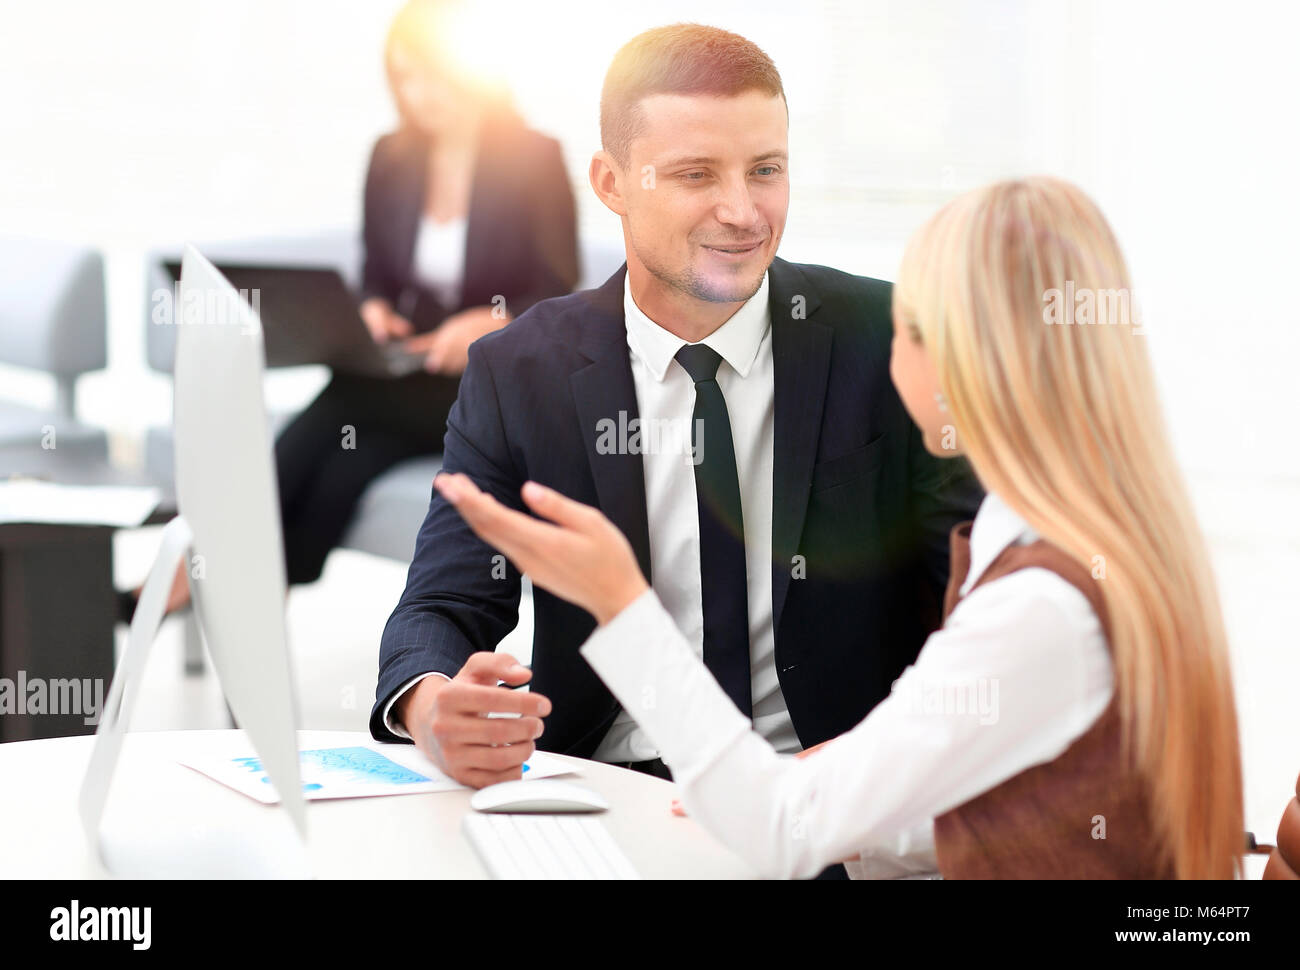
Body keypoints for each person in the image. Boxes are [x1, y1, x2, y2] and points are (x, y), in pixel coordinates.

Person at [434, 176, 1246, 880]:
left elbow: (786, 831)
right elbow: (1008, 799)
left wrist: (621, 604)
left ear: (957, 360)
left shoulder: (1040, 607)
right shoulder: (1093, 548)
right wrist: (864, 777)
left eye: (908, 329)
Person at [373, 22, 982, 814]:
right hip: (607, 789)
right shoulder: (519, 370)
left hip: (827, 795)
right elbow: (440, 604)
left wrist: (867, 766)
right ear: (611, 182)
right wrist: (430, 704)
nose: (743, 211)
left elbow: (981, 616)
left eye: (766, 170)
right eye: (697, 174)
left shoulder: (892, 336)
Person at [125, 0, 578, 616]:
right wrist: (371, 311)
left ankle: (193, 582)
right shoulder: (391, 157)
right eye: (404, 77)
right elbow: (376, 276)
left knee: (331, 415)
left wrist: (490, 320)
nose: (419, 94)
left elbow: (558, 287)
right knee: (337, 461)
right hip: (399, 376)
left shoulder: (534, 158)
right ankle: (234, 610)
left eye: (432, 74)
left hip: (481, 382)